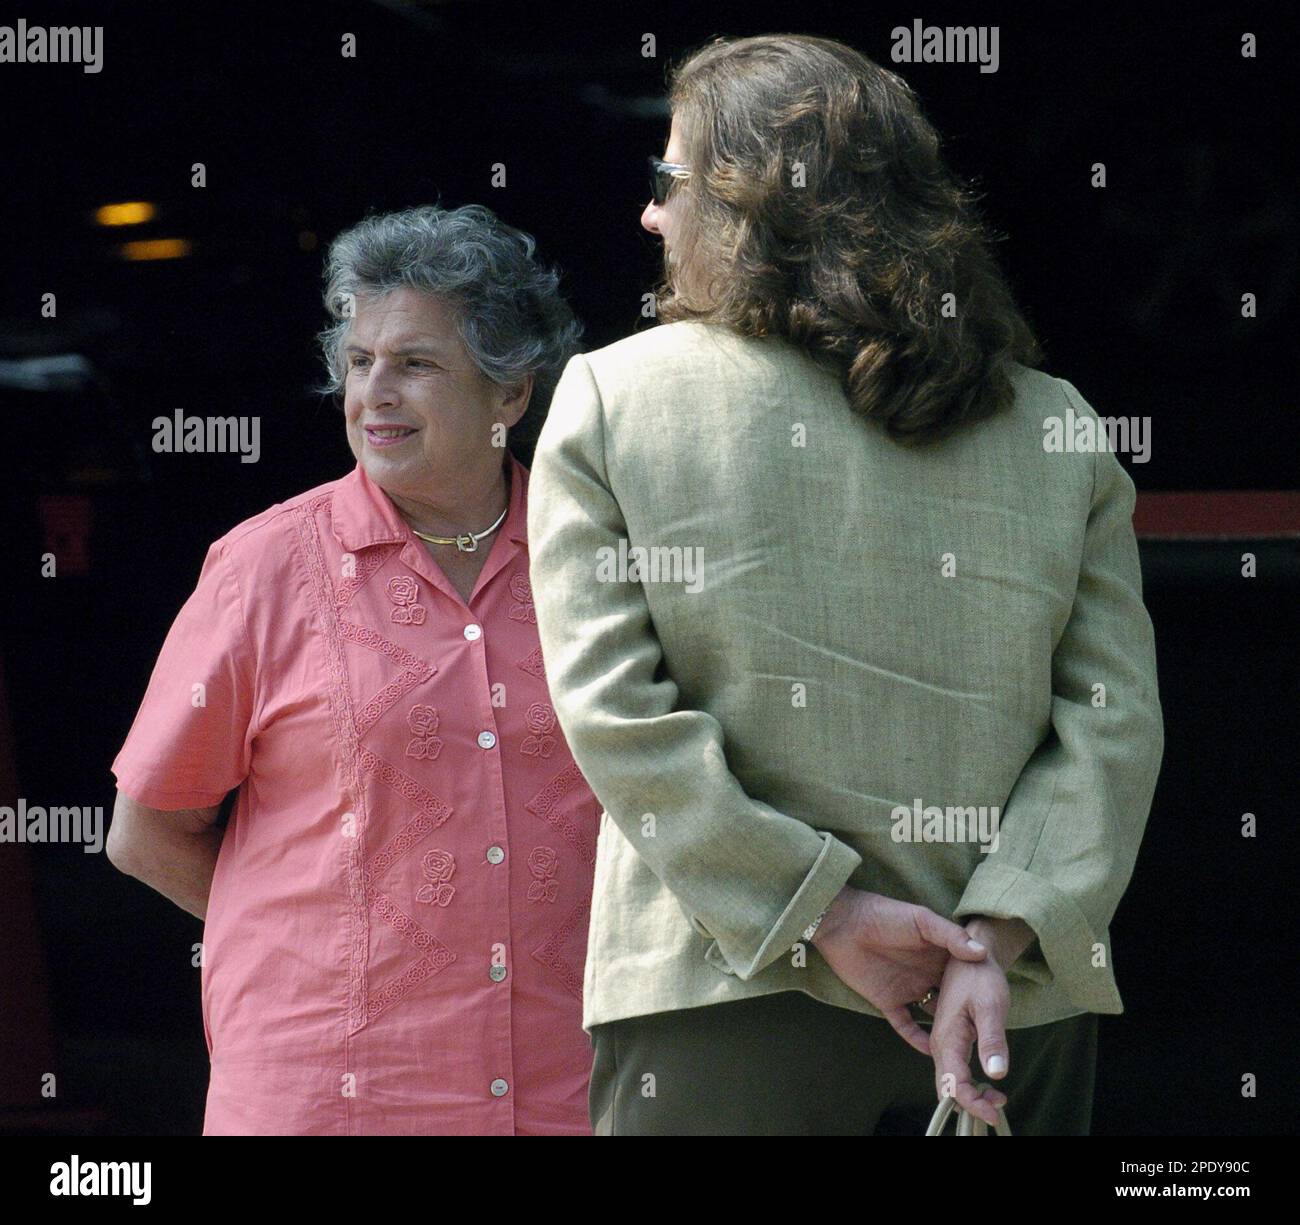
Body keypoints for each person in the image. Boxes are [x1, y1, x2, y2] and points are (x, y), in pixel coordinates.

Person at [527, 35, 1164, 1135]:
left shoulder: (609, 399)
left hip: (723, 990)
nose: (648, 214)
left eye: (668, 181)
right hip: (1003, 1005)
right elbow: (1112, 727)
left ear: (742, 204)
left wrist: (818, 908)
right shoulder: (1056, 422)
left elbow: (615, 714)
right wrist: (999, 934)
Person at [108, 204, 601, 1135]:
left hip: (559, 1092)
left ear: (510, 395)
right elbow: (147, 830)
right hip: (328, 1094)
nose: (375, 391)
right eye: (360, 360)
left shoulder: (594, 564)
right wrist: (322, 937)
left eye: (416, 364)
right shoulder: (267, 569)